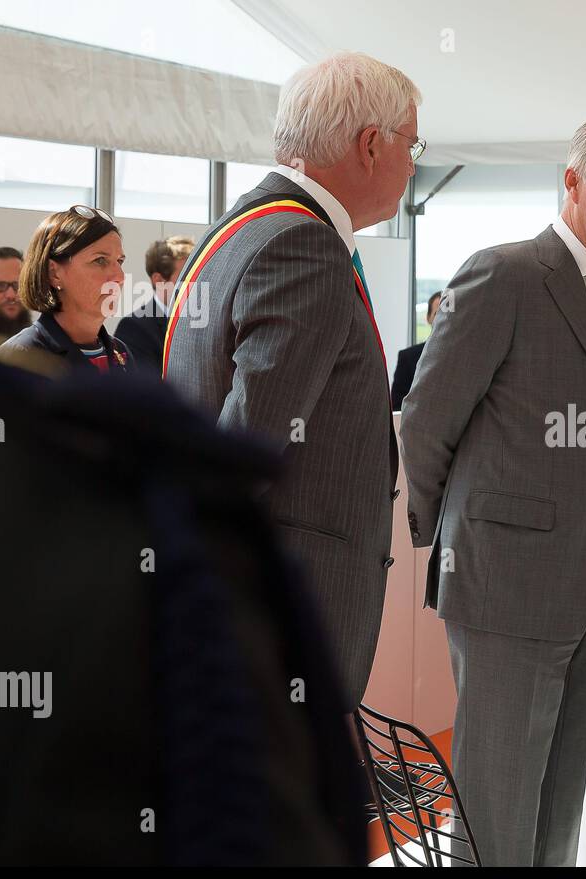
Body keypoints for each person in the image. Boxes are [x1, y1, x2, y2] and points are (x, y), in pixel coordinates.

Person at [0, 341, 366, 865]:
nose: (114, 275)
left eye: (116, 259)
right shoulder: (110, 500)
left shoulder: (107, 407)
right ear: (55, 271)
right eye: (99, 260)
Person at [399, 111, 586, 866]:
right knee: (497, 809)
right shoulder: (504, 273)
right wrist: (454, 543)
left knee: (562, 812)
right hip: (505, 591)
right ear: (573, 180)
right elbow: (425, 423)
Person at [164, 52, 420, 707]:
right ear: (370, 145)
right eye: (410, 145)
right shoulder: (302, 244)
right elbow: (248, 443)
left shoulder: (237, 229)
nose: (413, 163)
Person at [0, 206, 134, 374]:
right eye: (100, 260)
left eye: (119, 261)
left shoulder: (121, 353)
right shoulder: (19, 359)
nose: (119, 276)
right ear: (54, 273)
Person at [116, 236, 195, 372]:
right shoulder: (134, 328)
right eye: (185, 277)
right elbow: (148, 390)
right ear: (158, 280)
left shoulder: (204, 321)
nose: (195, 284)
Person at [391, 289, 442, 408]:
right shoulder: (407, 358)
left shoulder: (464, 360)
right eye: (437, 313)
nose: (444, 319)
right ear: (428, 318)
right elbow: (397, 406)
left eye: (448, 314)